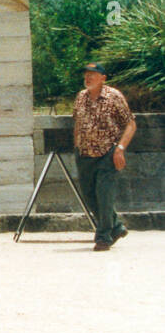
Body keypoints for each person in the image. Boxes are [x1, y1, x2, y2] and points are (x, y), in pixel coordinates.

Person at [72, 62, 136, 251]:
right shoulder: (80, 97)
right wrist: (76, 146)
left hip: (107, 153)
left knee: (104, 195)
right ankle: (117, 227)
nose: (88, 78)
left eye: (93, 74)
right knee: (89, 196)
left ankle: (103, 237)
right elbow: (76, 123)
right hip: (84, 155)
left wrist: (120, 149)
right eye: (86, 74)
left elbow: (130, 124)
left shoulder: (113, 96)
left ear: (103, 78)